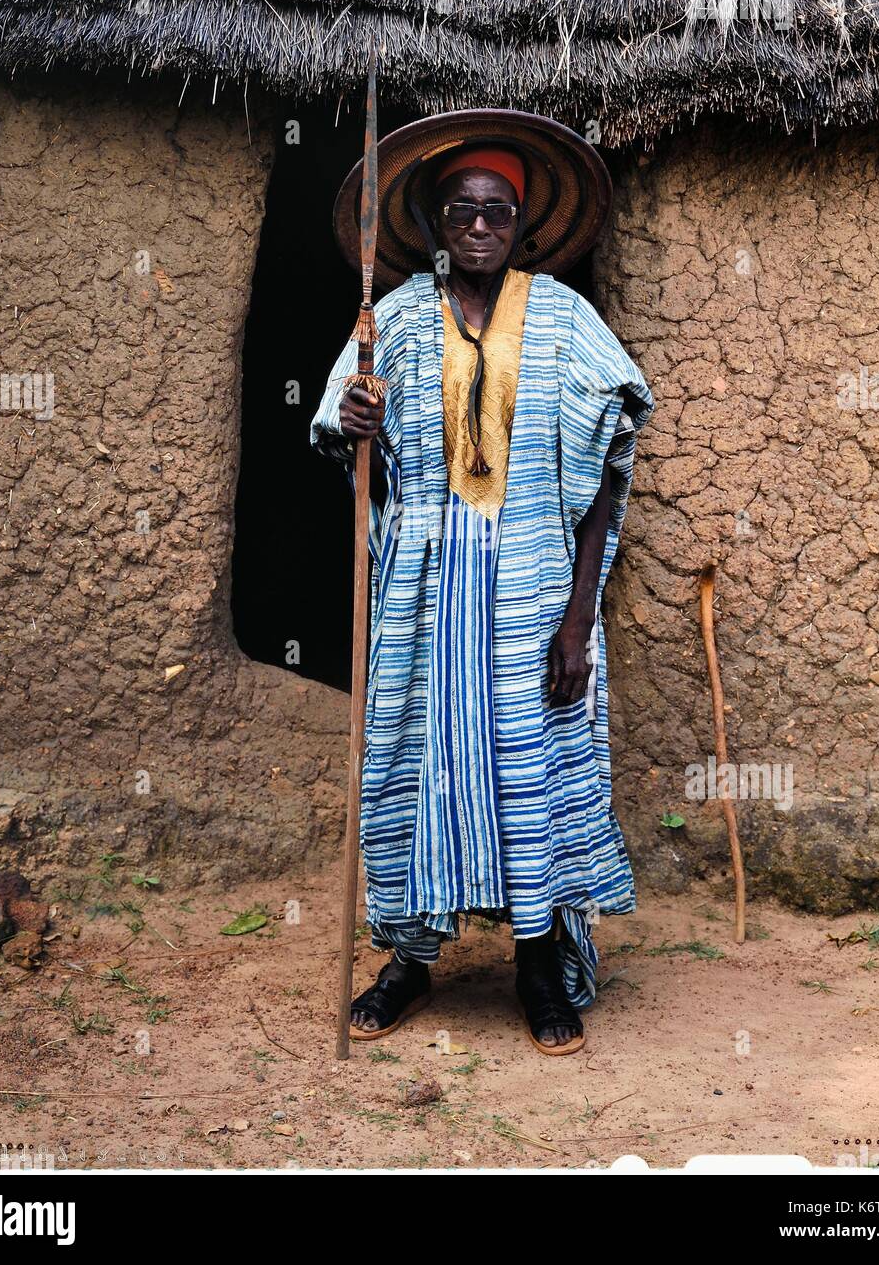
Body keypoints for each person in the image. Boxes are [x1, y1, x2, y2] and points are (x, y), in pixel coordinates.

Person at [311, 110, 654, 1054]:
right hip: (421, 586)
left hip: (535, 589)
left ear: (521, 223)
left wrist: (580, 619)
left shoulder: (562, 319)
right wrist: (356, 423)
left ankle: (539, 967)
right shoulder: (395, 324)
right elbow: (349, 446)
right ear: (431, 222)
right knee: (417, 759)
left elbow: (611, 467)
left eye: (496, 211)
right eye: (461, 209)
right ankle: (410, 960)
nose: (478, 226)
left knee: (529, 769)